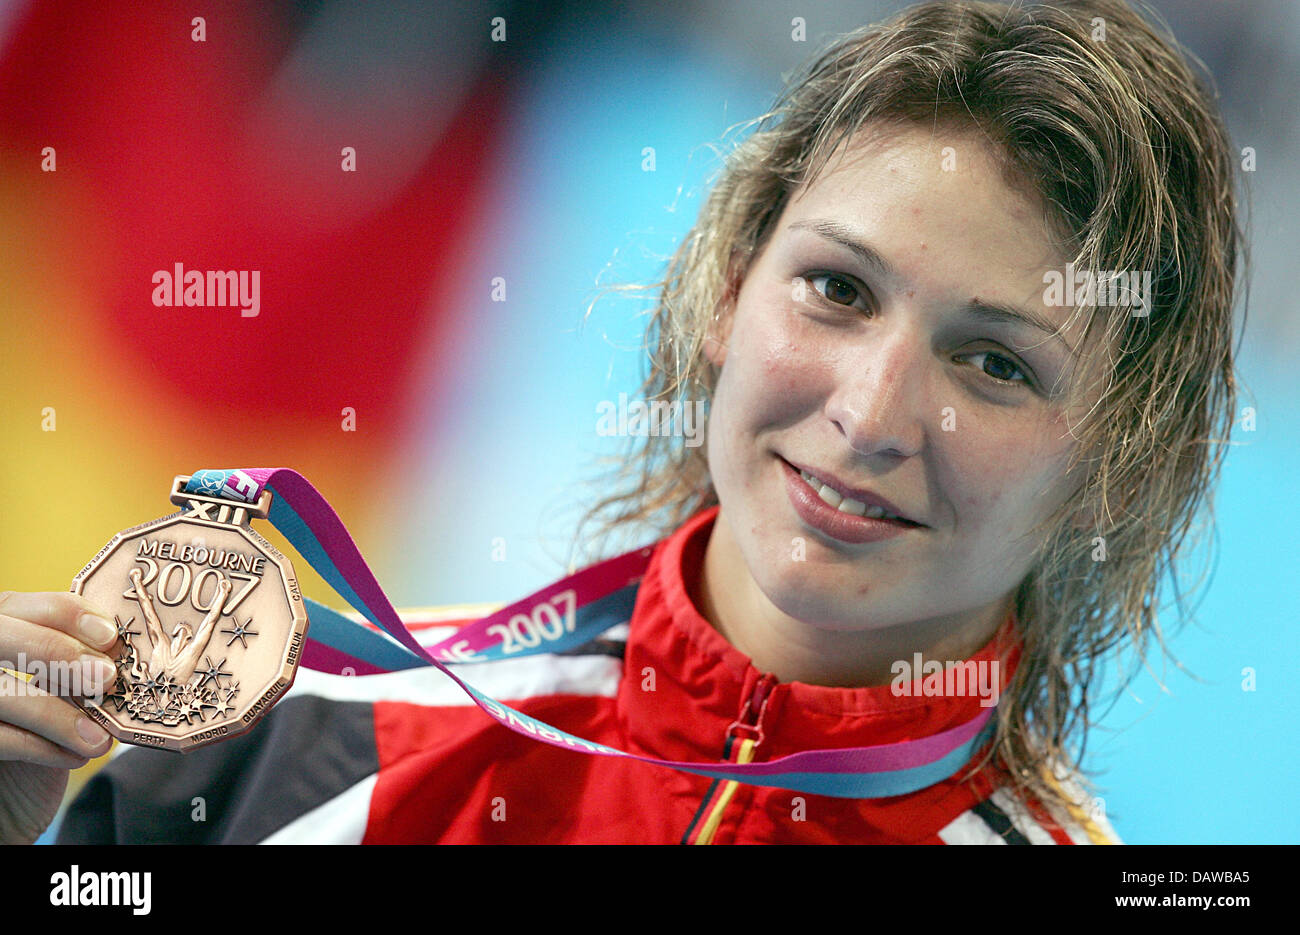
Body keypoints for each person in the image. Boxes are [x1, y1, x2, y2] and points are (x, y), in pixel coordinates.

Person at [2, 0, 1242, 844]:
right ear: (724, 289)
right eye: (837, 290)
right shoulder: (316, 743)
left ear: (1123, 462)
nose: (868, 416)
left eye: (992, 363)